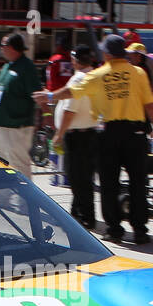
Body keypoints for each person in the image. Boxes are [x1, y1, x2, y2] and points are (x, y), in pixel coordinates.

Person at [42, 33, 153, 244]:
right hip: (136, 134)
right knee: (138, 182)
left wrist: (51, 96)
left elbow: (71, 92)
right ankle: (140, 230)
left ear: (106, 53)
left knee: (109, 183)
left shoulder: (98, 75)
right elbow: (150, 104)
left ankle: (114, 229)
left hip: (109, 133)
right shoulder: (138, 73)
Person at [52, 45, 101, 229]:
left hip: (77, 135)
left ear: (74, 60)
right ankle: (78, 212)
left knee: (77, 177)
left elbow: (69, 112)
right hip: (89, 133)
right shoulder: (93, 77)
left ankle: (84, 216)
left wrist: (59, 134)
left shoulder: (79, 79)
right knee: (84, 177)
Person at [0, 32, 41, 179]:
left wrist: (47, 114)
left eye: (2, 45)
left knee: (19, 163)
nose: (0, 48)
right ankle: (2, 197)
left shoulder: (26, 67)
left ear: (11, 47)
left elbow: (37, 94)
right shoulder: (7, 66)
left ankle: (25, 200)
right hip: (1, 123)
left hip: (17, 125)